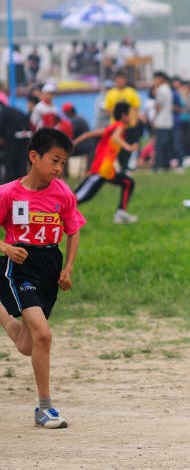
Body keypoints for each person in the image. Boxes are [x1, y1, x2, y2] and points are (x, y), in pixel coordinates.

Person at [0, 128, 85, 429]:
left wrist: (68, 268)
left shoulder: (62, 193)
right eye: (54, 160)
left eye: (63, 163)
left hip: (49, 265)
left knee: (28, 344)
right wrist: (6, 247)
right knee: (44, 336)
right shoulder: (8, 193)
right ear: (34, 156)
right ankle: (44, 408)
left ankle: (5, 318)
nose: (59, 168)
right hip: (20, 264)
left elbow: (73, 229)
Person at [73, 102, 139, 224]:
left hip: (106, 169)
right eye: (130, 113)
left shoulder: (112, 127)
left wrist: (74, 142)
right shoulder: (120, 126)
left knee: (128, 182)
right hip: (101, 169)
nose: (131, 116)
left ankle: (121, 213)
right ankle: (53, 212)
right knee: (79, 197)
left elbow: (88, 134)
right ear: (123, 115)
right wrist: (128, 147)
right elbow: (116, 138)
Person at [103, 70, 142, 172]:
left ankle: (128, 165)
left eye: (122, 79)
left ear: (125, 80)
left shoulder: (131, 92)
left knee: (130, 145)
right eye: (118, 80)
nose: (120, 82)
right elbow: (107, 109)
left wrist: (134, 120)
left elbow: (136, 108)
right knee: (118, 147)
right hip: (116, 125)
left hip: (130, 126)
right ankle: (120, 166)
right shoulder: (111, 93)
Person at [151, 71, 173, 172]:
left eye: (156, 79)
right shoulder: (168, 89)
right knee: (166, 145)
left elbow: (159, 106)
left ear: (161, 79)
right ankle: (166, 165)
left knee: (159, 145)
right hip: (168, 121)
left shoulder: (161, 90)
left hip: (161, 121)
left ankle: (158, 165)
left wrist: (154, 118)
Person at [61, 103, 90, 179]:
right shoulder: (79, 118)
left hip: (82, 146)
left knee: (62, 151)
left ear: (69, 112)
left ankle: (65, 174)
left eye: (65, 113)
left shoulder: (74, 120)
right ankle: (65, 174)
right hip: (86, 146)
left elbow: (69, 136)